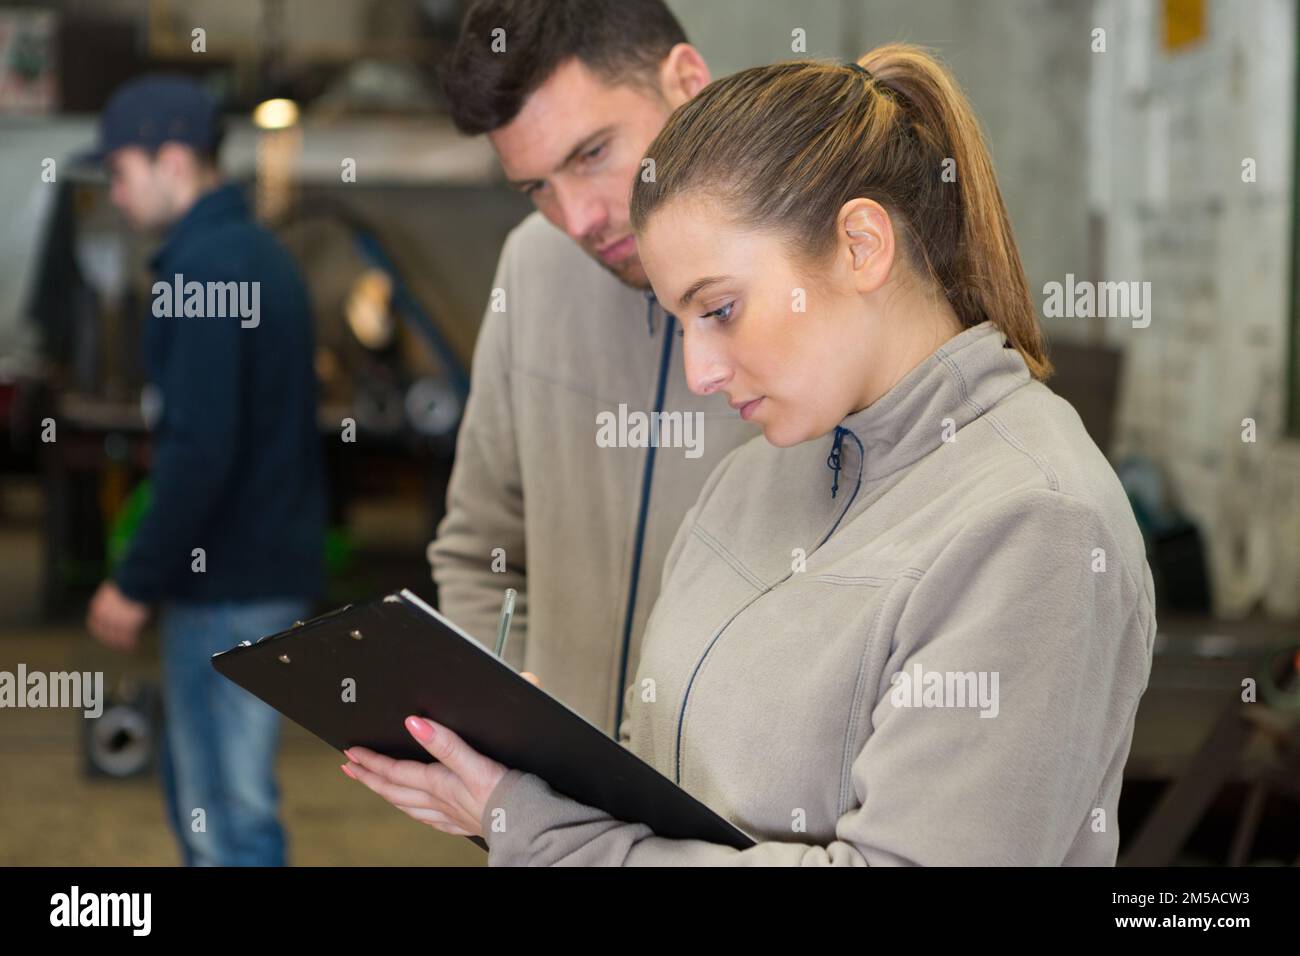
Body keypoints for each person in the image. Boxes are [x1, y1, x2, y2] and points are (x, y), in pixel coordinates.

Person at [343, 45, 1158, 866]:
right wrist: (509, 798)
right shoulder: (758, 472)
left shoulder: (1038, 527)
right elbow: (652, 772)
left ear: (861, 246)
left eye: (721, 308)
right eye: (681, 320)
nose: (699, 373)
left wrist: (545, 835)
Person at [430, 0, 755, 736]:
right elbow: (480, 552)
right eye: (536, 186)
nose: (575, 219)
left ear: (688, 82)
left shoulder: (820, 281)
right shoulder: (532, 265)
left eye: (591, 154)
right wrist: (516, 753)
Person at [85, 75, 325, 866]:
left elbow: (199, 449)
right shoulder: (259, 254)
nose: (116, 194)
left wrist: (135, 578)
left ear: (174, 160)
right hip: (260, 572)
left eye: (121, 171)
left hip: (223, 589)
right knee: (230, 802)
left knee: (221, 815)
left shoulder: (204, 272)